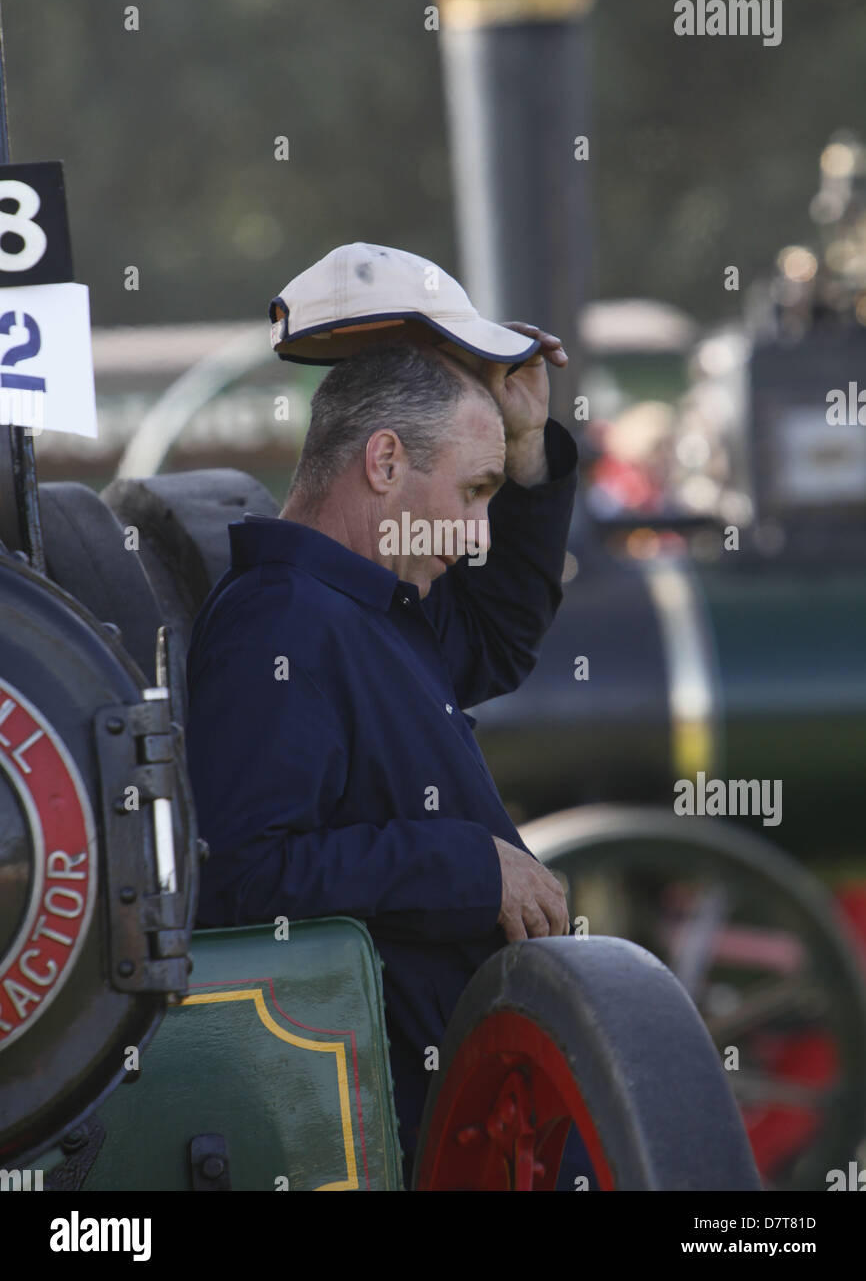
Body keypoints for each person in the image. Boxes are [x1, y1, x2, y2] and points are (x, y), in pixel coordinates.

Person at [184, 244, 579, 1188]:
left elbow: (496, 636)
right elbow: (243, 877)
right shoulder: (281, 624)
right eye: (475, 493)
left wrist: (524, 451)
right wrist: (464, 865)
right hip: (399, 1131)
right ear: (385, 461)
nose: (481, 535)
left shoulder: (362, 603)